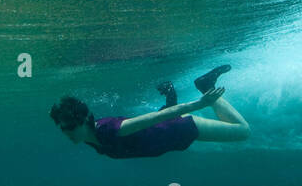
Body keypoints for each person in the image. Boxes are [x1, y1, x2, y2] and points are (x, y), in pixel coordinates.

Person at [50, 65, 249, 159]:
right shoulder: (88, 136)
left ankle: (206, 87)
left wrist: (201, 103)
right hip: (170, 134)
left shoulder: (111, 130)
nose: (65, 132)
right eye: (61, 128)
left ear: (84, 120)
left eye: (68, 127)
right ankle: (197, 87)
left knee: (242, 131)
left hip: (181, 128)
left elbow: (157, 117)